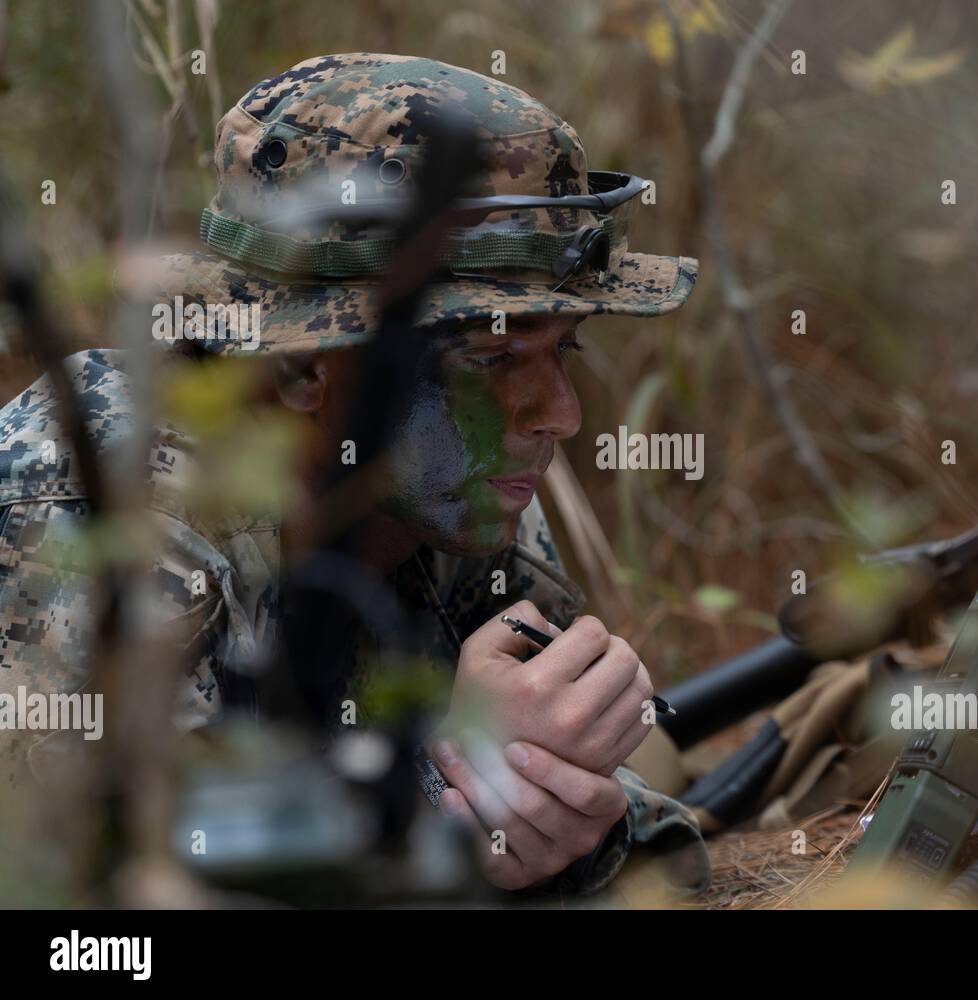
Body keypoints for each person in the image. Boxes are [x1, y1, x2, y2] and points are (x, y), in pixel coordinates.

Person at [0, 53, 708, 896]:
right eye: (489, 356)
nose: (561, 413)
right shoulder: (89, 513)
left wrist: (572, 825)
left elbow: (629, 840)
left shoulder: (444, 500)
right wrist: (433, 798)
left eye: (564, 349)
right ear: (304, 369)